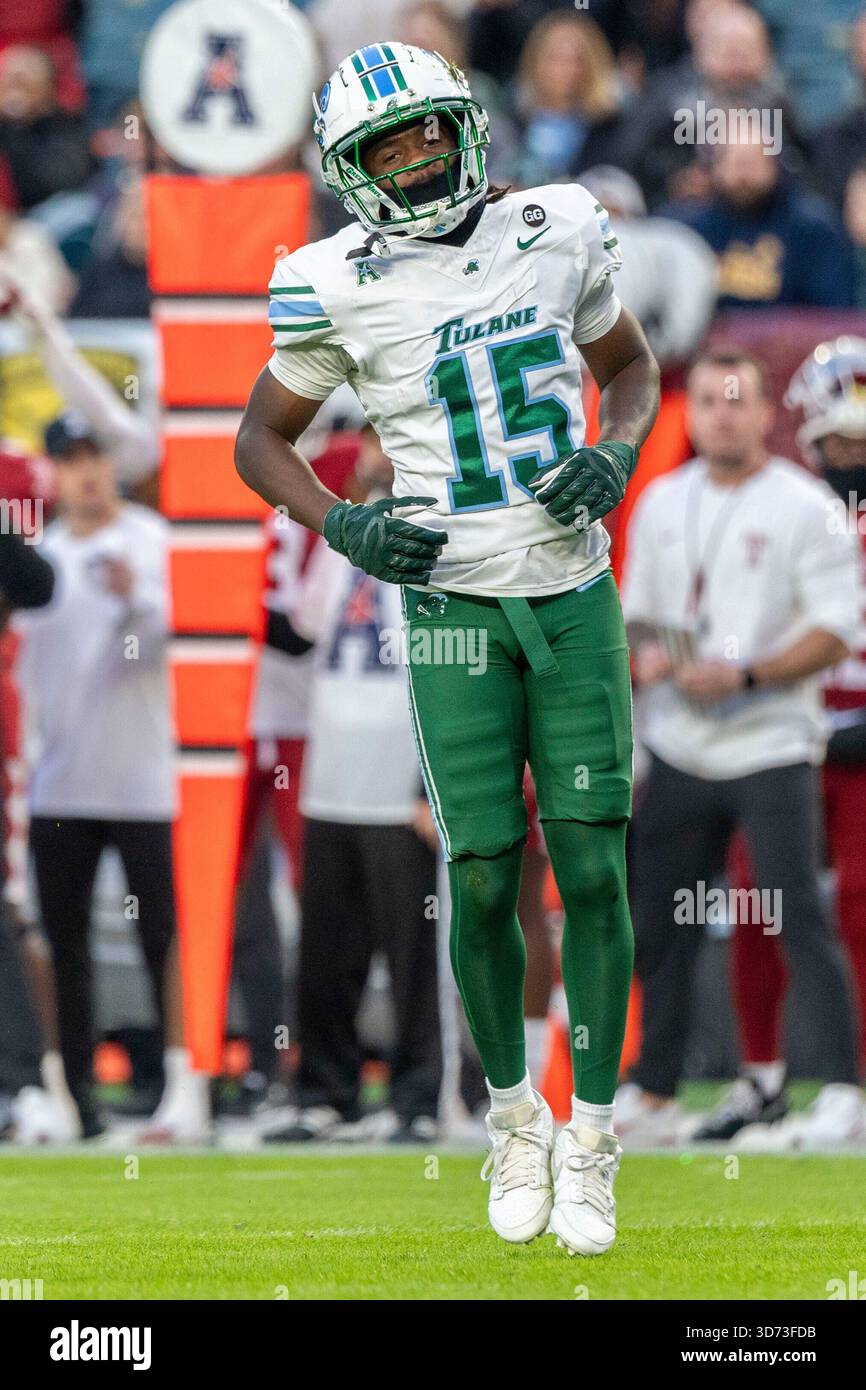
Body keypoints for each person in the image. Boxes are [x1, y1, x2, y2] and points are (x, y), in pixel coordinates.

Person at [236, 42, 659, 1256]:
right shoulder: (332, 277)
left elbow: (626, 368)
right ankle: (510, 1115)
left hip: (571, 593)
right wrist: (349, 524)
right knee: (481, 873)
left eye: (430, 131)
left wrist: (617, 453)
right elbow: (259, 443)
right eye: (390, 145)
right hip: (452, 609)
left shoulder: (560, 223)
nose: (420, 156)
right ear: (353, 171)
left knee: (589, 872)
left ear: (465, 126)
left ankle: (590, 1134)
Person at [620, 349, 864, 1148]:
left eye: (739, 400)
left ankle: (839, 1088)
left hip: (772, 741)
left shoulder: (804, 505)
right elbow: (639, 614)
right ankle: (655, 1091)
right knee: (661, 925)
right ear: (687, 410)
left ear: (767, 415)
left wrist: (749, 674)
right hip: (679, 739)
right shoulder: (660, 501)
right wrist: (651, 657)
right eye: (709, 400)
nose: (724, 414)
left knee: (798, 917)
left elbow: (836, 629)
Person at [15, 411, 209, 1142]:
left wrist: (140, 599)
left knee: (161, 936)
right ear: (54, 473)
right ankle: (75, 1096)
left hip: (145, 781)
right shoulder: (43, 559)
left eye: (95, 458)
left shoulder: (153, 541)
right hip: (60, 782)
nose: (86, 473)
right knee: (63, 942)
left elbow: (182, 636)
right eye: (71, 461)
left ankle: (176, 1086)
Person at [262, 424, 441, 1143]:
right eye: (369, 440)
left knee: (414, 952)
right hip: (333, 771)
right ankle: (325, 1091)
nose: (377, 455)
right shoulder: (343, 539)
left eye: (389, 438)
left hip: (401, 775)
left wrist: (434, 785)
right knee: (327, 951)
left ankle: (421, 1097)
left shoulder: (441, 535)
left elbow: (457, 664)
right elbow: (302, 632)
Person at [719, 338, 866, 1147]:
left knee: (857, 908)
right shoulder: (787, 520)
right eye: (839, 445)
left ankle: (854, 1086)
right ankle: (761, 1075)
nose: (851, 463)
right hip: (792, 736)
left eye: (863, 447)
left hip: (858, 748)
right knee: (754, 903)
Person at [664, 136, 857, 310]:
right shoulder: (690, 229)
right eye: (735, 163)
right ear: (716, 166)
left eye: (752, 162)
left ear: (774, 163)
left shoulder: (813, 229)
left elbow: (835, 316)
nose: (743, 176)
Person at [581, 165, 717, 368]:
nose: (604, 225)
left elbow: (681, 335)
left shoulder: (675, 244)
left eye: (612, 212)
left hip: (667, 372)